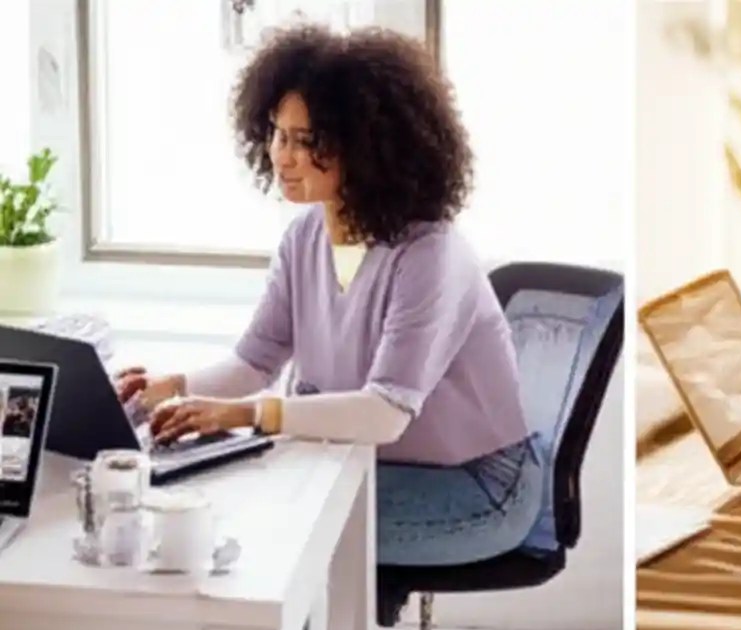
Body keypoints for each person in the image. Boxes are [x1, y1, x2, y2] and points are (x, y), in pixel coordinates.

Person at [113, 24, 548, 567]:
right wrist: (168, 389)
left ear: (367, 146)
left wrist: (239, 415)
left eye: (305, 140)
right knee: (251, 509)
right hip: (359, 462)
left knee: (284, 531)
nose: (281, 155)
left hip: (477, 484)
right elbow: (256, 361)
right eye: (276, 133)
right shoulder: (305, 237)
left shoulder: (431, 255)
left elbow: (384, 414)